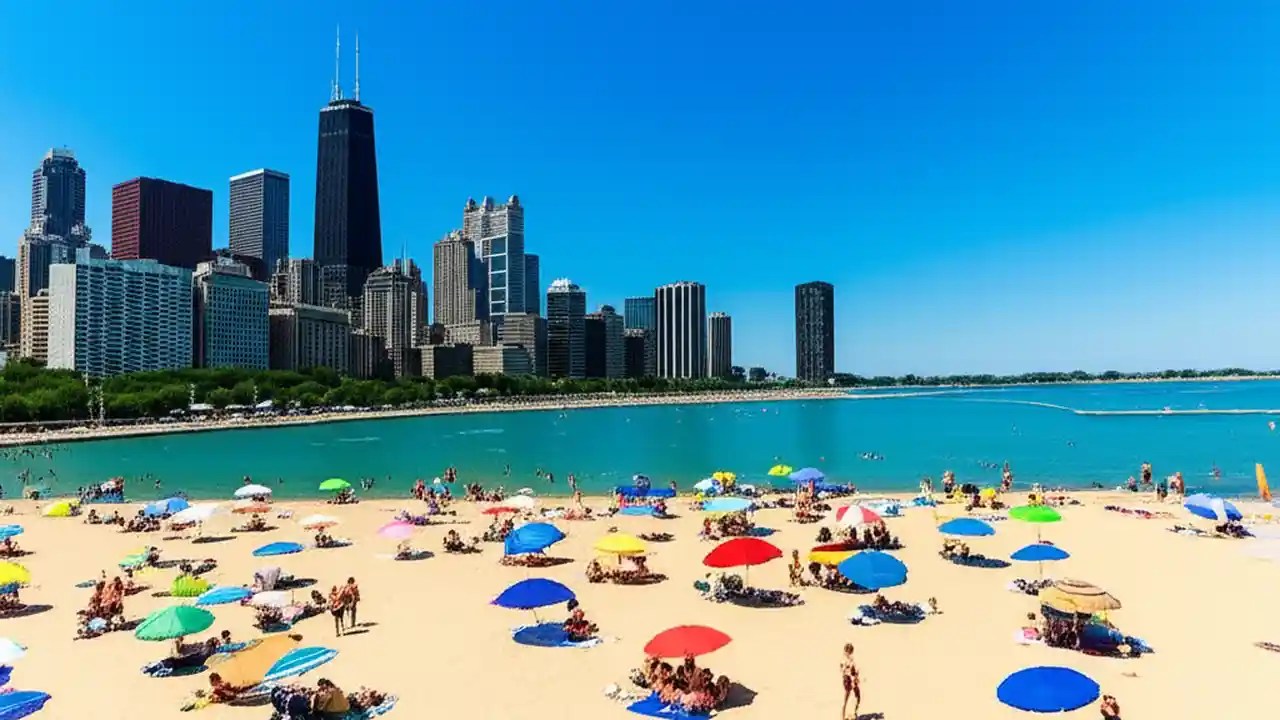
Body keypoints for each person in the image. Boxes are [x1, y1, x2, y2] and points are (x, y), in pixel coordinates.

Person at [840, 643, 860, 720]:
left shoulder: (850, 659)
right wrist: (848, 669)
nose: (850, 653)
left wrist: (855, 674)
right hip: (848, 679)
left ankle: (854, 714)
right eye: (849, 651)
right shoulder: (844, 660)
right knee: (846, 699)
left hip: (852, 679)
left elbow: (853, 670)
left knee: (857, 696)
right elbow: (843, 670)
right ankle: (843, 717)